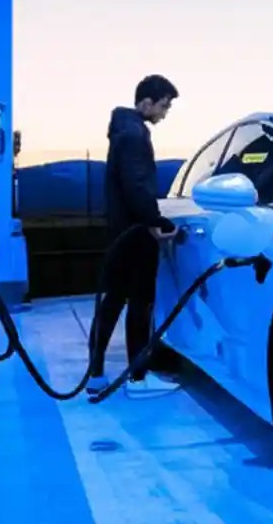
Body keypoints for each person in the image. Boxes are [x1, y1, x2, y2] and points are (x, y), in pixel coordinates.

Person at [87, 74, 181, 397]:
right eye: (164, 105)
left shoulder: (123, 131)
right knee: (140, 303)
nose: (165, 113)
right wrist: (156, 221)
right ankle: (138, 378)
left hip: (120, 230)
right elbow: (137, 185)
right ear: (146, 102)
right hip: (136, 232)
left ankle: (96, 373)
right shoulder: (134, 135)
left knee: (113, 300)